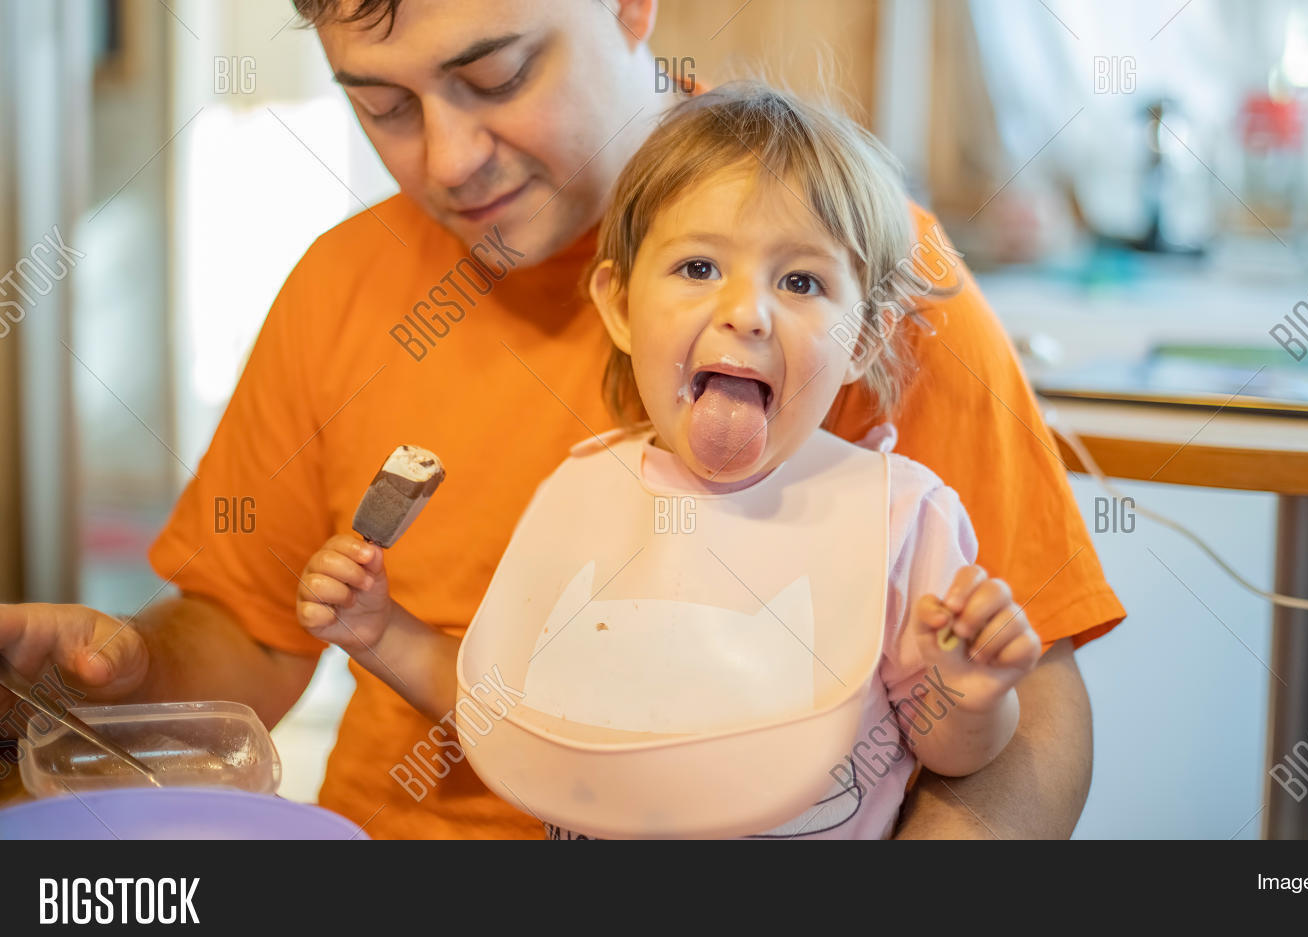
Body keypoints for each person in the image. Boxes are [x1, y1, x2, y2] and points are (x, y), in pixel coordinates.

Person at [0, 0, 1123, 839]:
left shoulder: (845, 277)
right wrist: (114, 674)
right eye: (383, 107)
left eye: (494, 77)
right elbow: (247, 631)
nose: (444, 161)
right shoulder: (343, 284)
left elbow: (1037, 709)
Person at [295, 82, 1045, 839]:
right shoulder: (583, 492)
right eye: (697, 269)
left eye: (801, 282)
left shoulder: (899, 519)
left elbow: (949, 753)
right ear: (619, 306)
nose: (746, 312)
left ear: (864, 340)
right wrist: (380, 630)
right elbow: (506, 708)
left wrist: (970, 693)